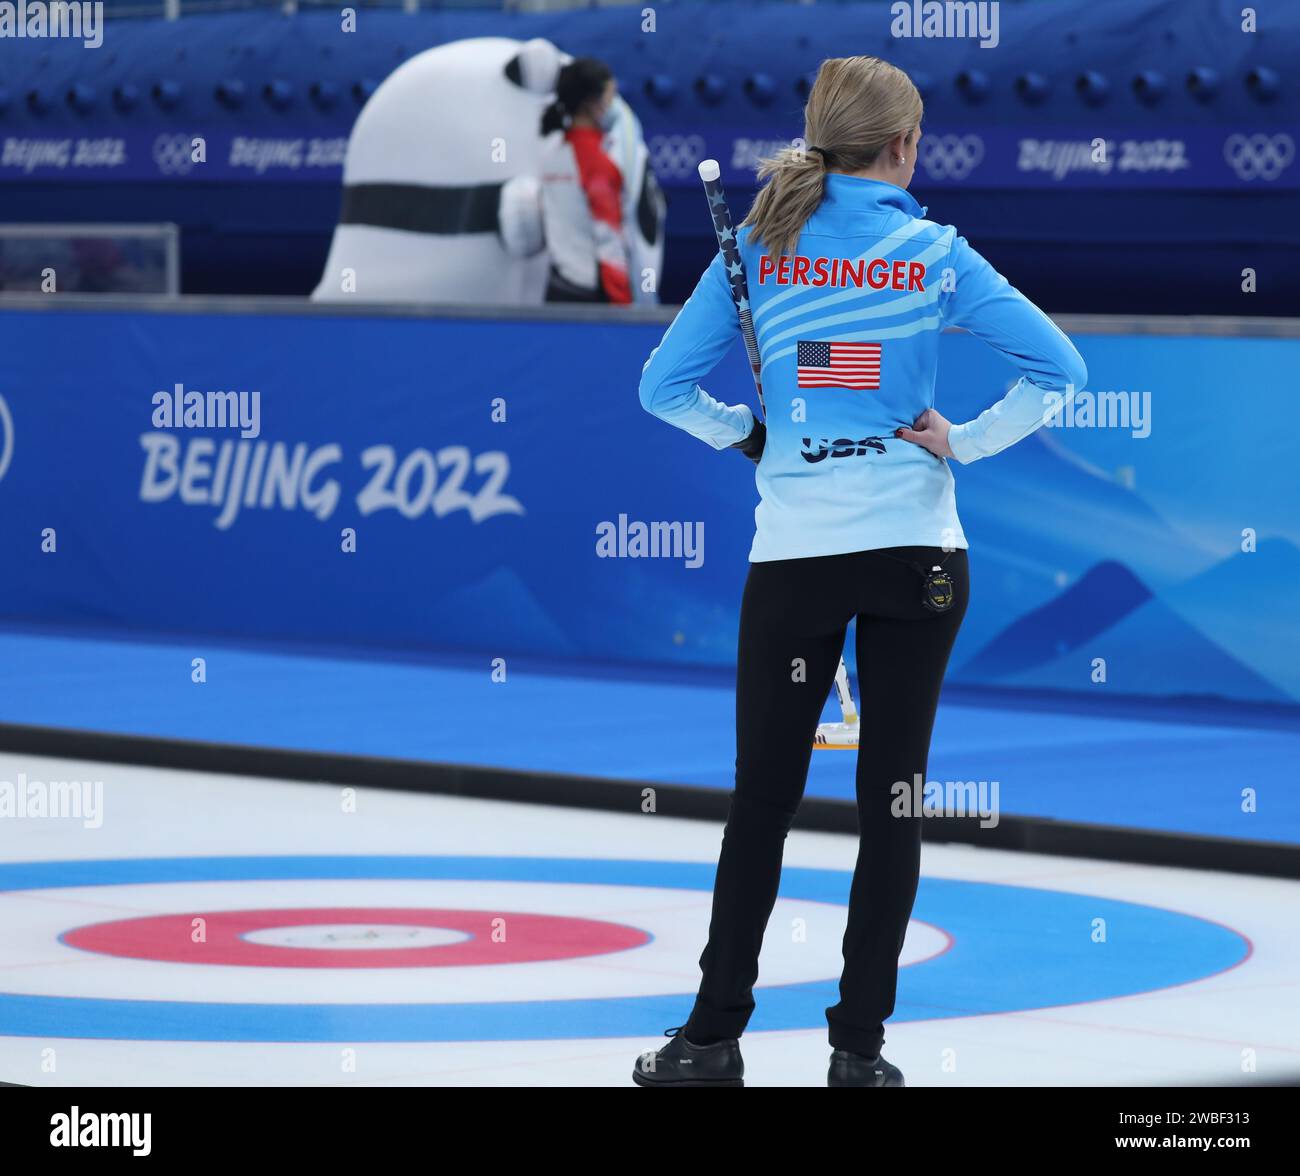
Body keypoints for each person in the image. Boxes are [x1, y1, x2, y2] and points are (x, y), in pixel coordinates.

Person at [632, 55, 1086, 1088]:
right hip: (914, 562)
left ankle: (709, 1041)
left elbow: (663, 388)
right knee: (891, 801)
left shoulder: (756, 247)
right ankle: (858, 1051)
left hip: (797, 565)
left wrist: (754, 432)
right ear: (902, 147)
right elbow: (1061, 370)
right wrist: (958, 441)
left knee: (762, 804)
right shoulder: (931, 252)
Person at [537, 57, 633, 304]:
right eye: (611, 95)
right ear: (593, 103)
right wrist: (624, 303)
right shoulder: (598, 162)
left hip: (556, 286)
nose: (614, 104)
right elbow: (608, 238)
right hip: (594, 293)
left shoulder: (551, 152)